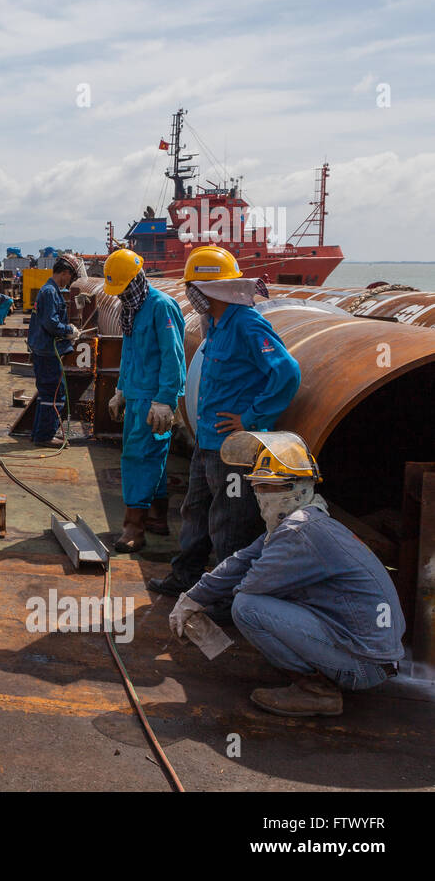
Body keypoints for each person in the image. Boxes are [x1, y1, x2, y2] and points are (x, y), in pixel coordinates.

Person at [169, 431, 405, 717]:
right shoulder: (308, 520)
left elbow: (251, 584)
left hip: (364, 664)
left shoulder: (298, 532)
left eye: (269, 488)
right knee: (258, 598)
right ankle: (317, 669)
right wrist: (193, 597)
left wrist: (203, 603)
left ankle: (316, 691)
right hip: (375, 653)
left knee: (247, 606)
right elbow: (243, 558)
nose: (261, 496)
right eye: (258, 487)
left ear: (296, 488)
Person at [148, 246, 301, 600]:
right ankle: (186, 576)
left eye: (194, 288)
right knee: (196, 511)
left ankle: (225, 596)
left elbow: (286, 372)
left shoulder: (247, 324)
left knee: (229, 521)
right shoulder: (215, 325)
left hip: (232, 451)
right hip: (208, 443)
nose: (190, 295)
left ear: (210, 289)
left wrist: (250, 418)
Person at [102, 248, 185, 552]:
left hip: (154, 400)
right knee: (154, 459)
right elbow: (130, 353)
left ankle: (133, 527)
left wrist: (165, 399)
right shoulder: (132, 308)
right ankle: (157, 518)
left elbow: (173, 355)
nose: (121, 294)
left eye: (123, 287)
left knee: (137, 459)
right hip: (137, 395)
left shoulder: (161, 306)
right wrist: (121, 390)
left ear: (135, 280)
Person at [25, 256, 86, 447]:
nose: (69, 281)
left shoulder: (50, 290)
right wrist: (69, 330)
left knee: (47, 394)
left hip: (44, 350)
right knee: (54, 395)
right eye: (70, 277)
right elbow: (51, 323)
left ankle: (40, 433)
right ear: (65, 273)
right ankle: (44, 436)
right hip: (47, 352)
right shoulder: (50, 292)